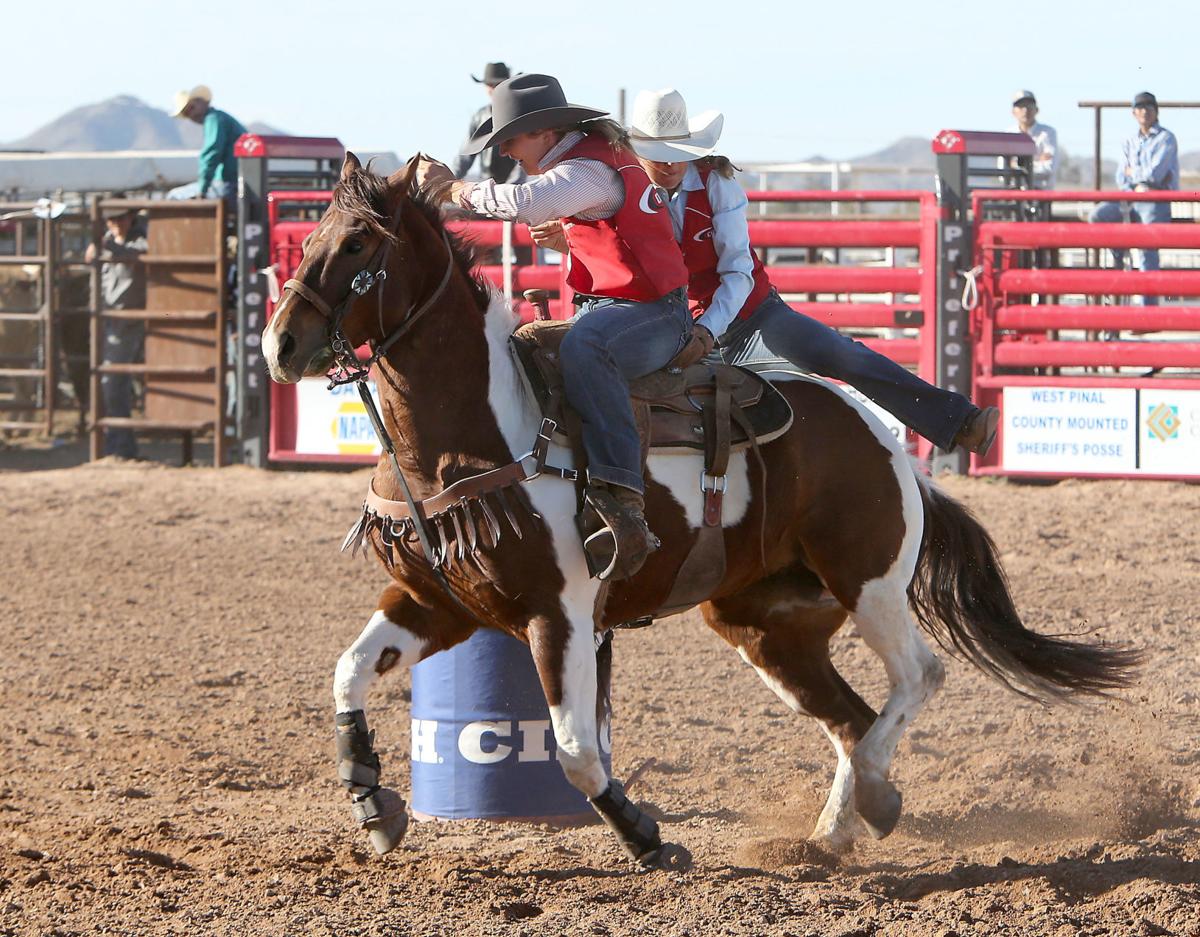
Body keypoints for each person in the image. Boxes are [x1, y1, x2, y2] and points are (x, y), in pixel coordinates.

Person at [534, 88, 998, 456]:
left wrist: (708, 330)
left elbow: (737, 272)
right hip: (668, 325)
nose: (672, 163)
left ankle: (958, 422)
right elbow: (616, 263)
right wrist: (571, 245)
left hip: (748, 320)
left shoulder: (717, 182)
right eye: (659, 153)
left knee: (839, 355)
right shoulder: (615, 188)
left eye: (678, 150)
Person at [417, 74, 692, 580]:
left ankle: (619, 491)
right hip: (629, 306)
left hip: (654, 313)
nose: (508, 154)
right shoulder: (592, 162)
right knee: (529, 347)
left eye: (510, 141)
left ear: (543, 133)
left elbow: (525, 203)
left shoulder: (587, 167)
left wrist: (448, 187)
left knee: (587, 347)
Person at [1089, 91, 1179, 303]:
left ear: (1156, 111)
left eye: (1148, 107)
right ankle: (1118, 255)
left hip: (1155, 198)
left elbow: (1155, 174)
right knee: (1098, 215)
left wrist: (1134, 173)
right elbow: (1121, 175)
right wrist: (1135, 177)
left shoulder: (1166, 138)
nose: (1144, 111)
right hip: (1129, 196)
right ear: (1133, 113)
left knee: (1147, 248)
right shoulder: (1129, 140)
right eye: (1140, 107)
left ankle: (1148, 310)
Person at [85, 200, 148, 459]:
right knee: (109, 382)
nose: (115, 223)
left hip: (127, 320)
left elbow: (138, 257)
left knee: (114, 381)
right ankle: (117, 442)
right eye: (112, 219)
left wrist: (104, 247)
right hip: (108, 318)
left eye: (120, 218)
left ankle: (120, 444)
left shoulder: (139, 241)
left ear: (131, 218)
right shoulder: (110, 240)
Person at [168, 85, 246, 202]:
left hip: (227, 185)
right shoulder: (221, 118)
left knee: (173, 196)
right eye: (186, 114)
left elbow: (211, 153)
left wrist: (202, 189)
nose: (191, 115)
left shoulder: (213, 120)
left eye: (191, 108)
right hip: (237, 183)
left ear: (201, 102)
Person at [453, 63, 524, 185]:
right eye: (490, 84)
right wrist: (449, 181)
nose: (493, 89)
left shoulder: (518, 115)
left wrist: (510, 188)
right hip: (486, 185)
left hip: (514, 188)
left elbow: (524, 156)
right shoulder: (479, 117)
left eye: (498, 84)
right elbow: (465, 155)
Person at [1011, 90, 1057, 190]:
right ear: (1013, 112)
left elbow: (1049, 168)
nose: (1025, 110)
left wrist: (1016, 167)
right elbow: (1002, 170)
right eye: (1021, 106)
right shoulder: (1008, 134)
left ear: (1036, 110)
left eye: (1029, 105)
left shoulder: (1047, 133)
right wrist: (1036, 161)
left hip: (1041, 194)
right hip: (1013, 193)